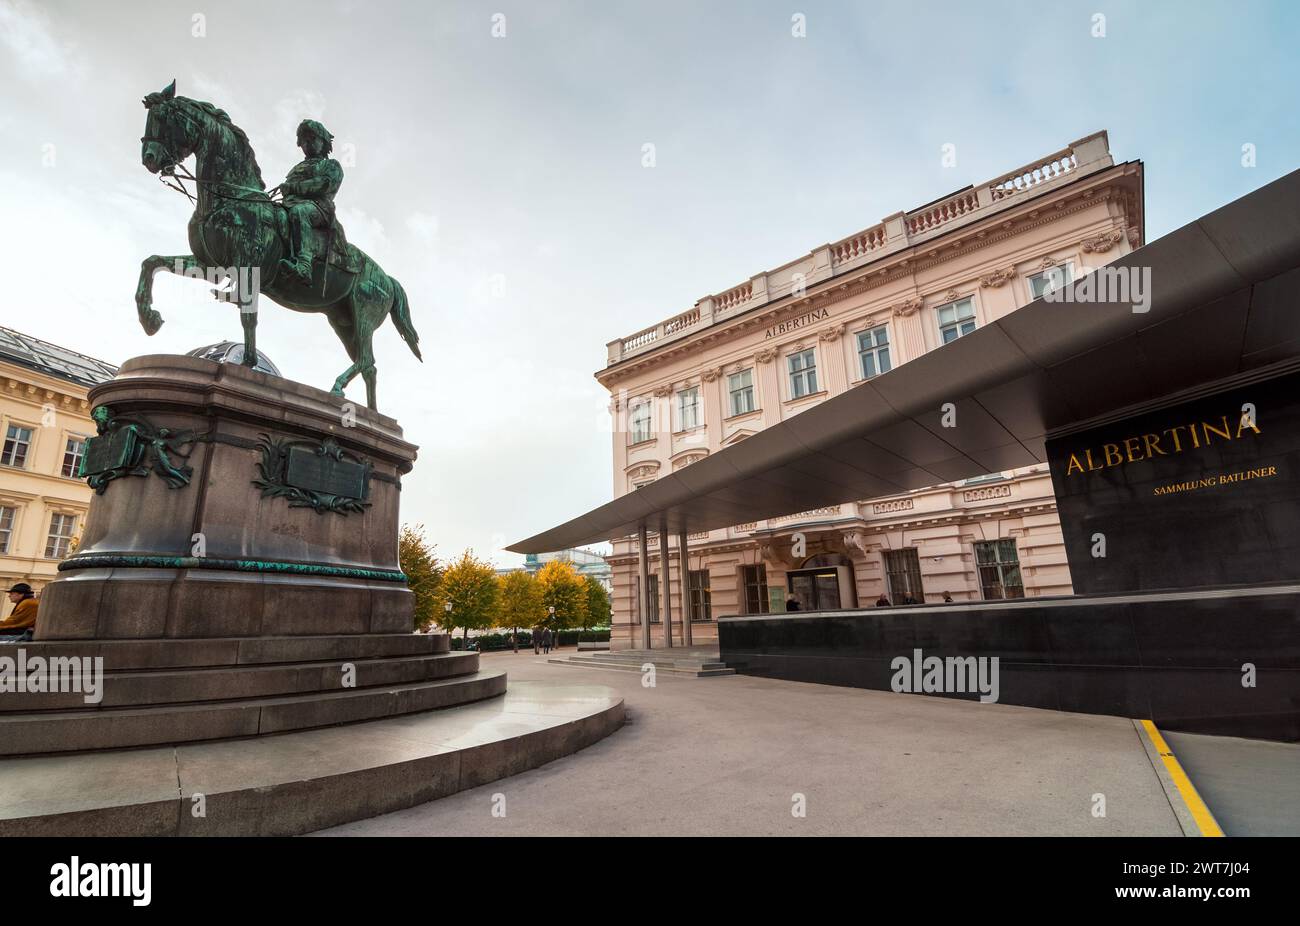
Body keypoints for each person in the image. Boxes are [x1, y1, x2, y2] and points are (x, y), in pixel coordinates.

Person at [274, 119, 346, 286]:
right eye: (304, 140)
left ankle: (304, 265)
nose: (307, 143)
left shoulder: (331, 165)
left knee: (300, 212)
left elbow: (324, 185)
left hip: (319, 208)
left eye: (312, 139)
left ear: (323, 142)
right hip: (289, 203)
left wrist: (293, 187)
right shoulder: (297, 168)